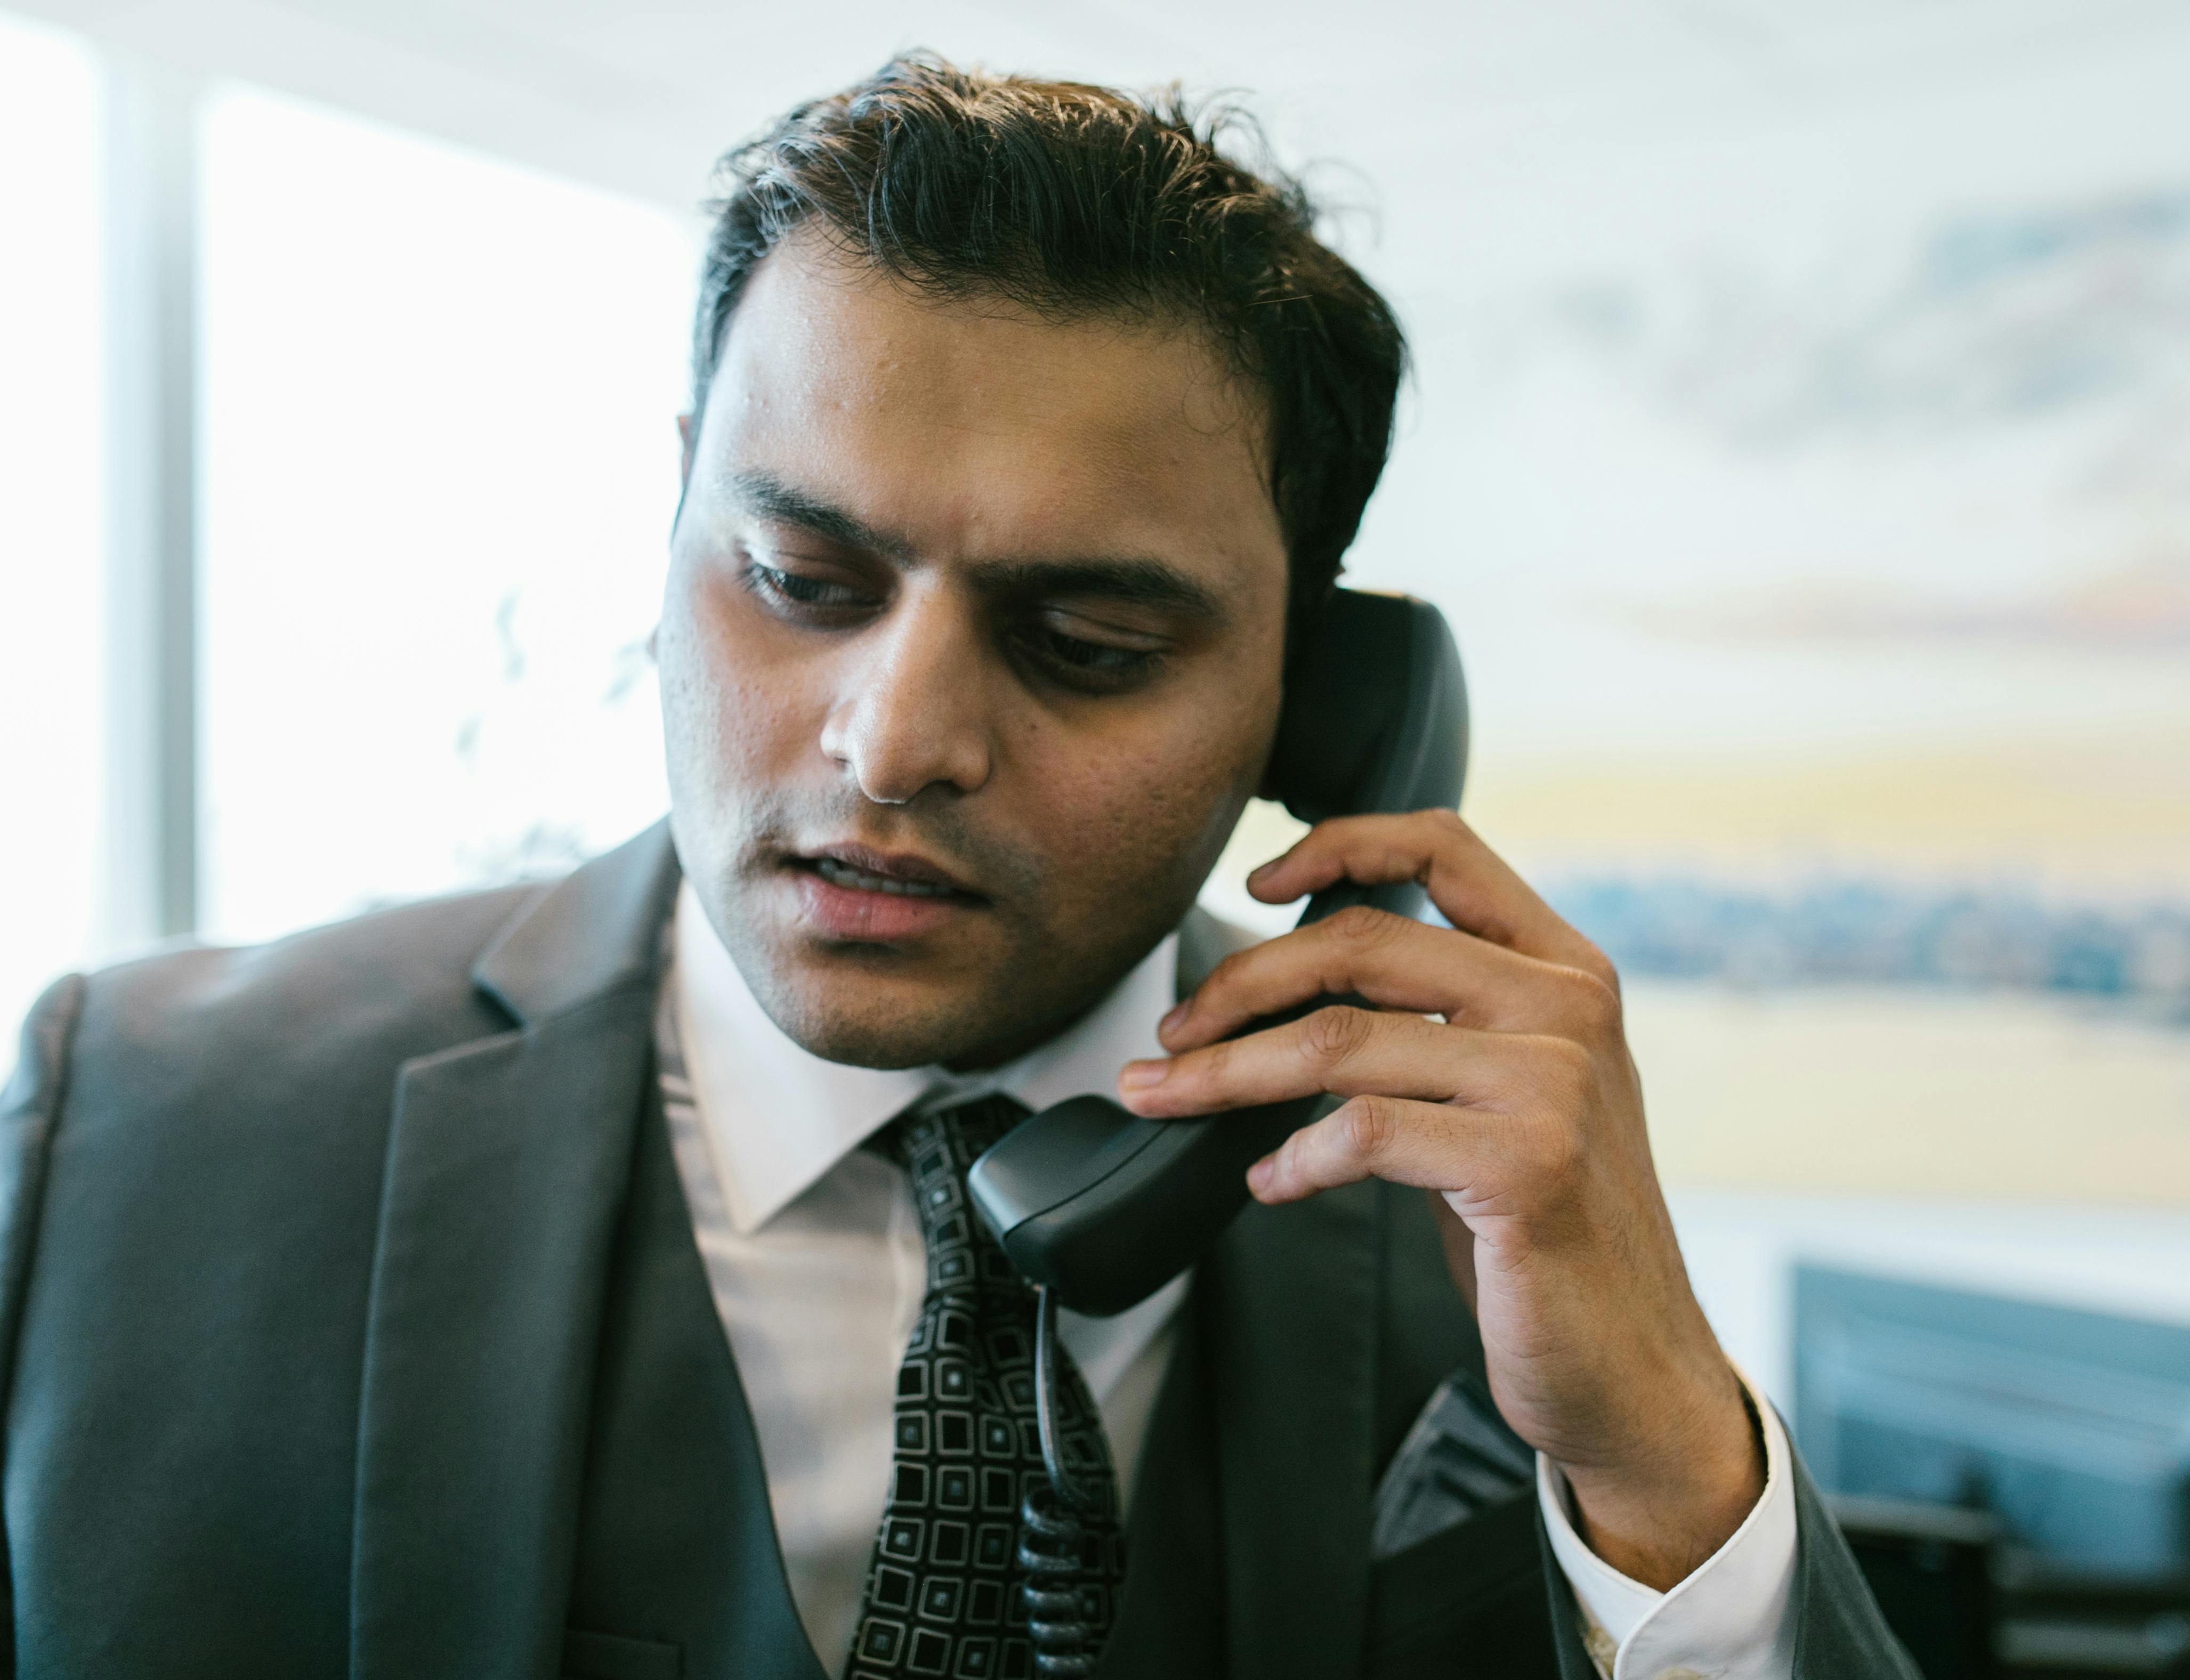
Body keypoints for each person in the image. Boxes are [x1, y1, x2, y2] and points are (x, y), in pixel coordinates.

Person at [0, 56, 1915, 1680]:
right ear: (675, 513)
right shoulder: (131, 1131)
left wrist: (1671, 1471)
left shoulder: (1473, 1242)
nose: (895, 739)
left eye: (1086, 642)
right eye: (801, 583)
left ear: (1322, 701)